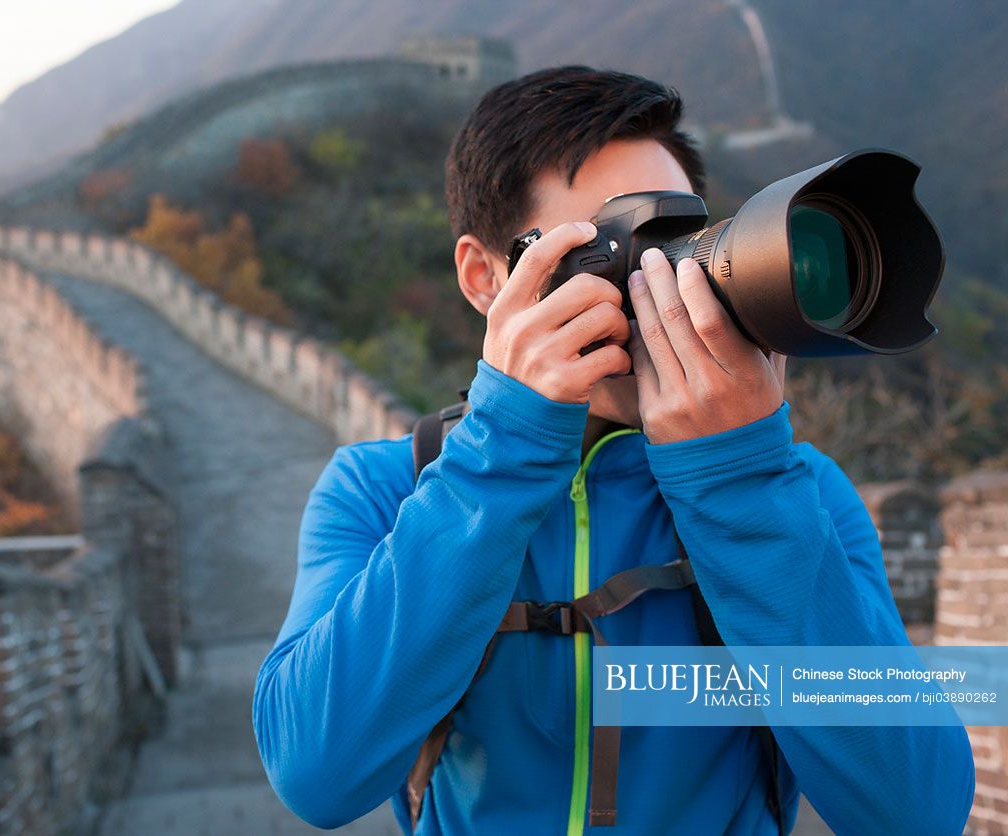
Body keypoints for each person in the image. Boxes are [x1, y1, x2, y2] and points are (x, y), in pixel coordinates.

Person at [252, 66, 975, 835]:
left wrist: (739, 481)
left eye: (677, 244)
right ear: (483, 277)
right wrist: (505, 449)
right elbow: (315, 776)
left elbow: (916, 811)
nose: (658, 288)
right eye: (615, 248)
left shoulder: (803, 496)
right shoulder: (382, 488)